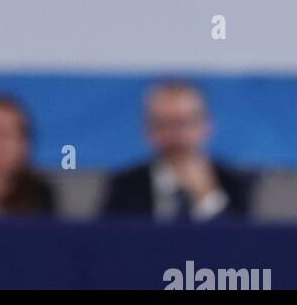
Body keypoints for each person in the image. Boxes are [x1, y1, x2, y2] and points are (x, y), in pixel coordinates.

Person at [101, 82, 255, 220]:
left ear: (207, 125)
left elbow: (240, 245)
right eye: (164, 124)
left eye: (184, 123)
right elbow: (107, 242)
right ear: (148, 129)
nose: (176, 135)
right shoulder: (125, 186)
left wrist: (206, 197)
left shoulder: (235, 184)